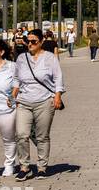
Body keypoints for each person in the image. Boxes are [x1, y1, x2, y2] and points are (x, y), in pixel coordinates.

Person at [13, 30, 64, 180]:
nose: (30, 44)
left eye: (34, 41)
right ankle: (24, 167)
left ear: (41, 42)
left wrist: (57, 96)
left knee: (42, 136)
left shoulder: (50, 58)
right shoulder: (22, 58)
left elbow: (58, 77)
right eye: (28, 41)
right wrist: (13, 95)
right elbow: (16, 78)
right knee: (21, 135)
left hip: (44, 101)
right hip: (24, 101)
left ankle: (42, 167)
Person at [0, 37, 17, 178]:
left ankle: (9, 165)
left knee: (8, 139)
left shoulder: (12, 67)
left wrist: (12, 96)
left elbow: (18, 83)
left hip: (7, 109)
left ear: (2, 52)